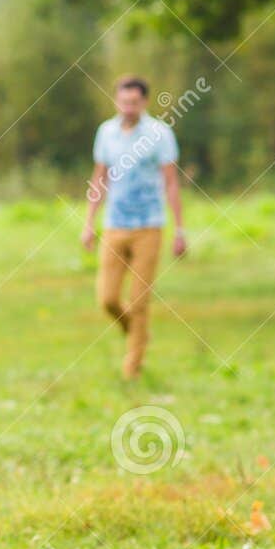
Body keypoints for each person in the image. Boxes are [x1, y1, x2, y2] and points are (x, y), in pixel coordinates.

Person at [81, 75, 186, 380]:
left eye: (134, 102)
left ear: (144, 102)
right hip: (115, 225)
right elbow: (99, 178)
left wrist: (180, 230)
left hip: (149, 227)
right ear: (116, 100)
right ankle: (137, 333)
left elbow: (170, 182)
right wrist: (89, 222)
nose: (128, 107)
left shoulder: (159, 134)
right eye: (124, 101)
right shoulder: (106, 133)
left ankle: (133, 368)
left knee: (140, 300)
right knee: (108, 299)